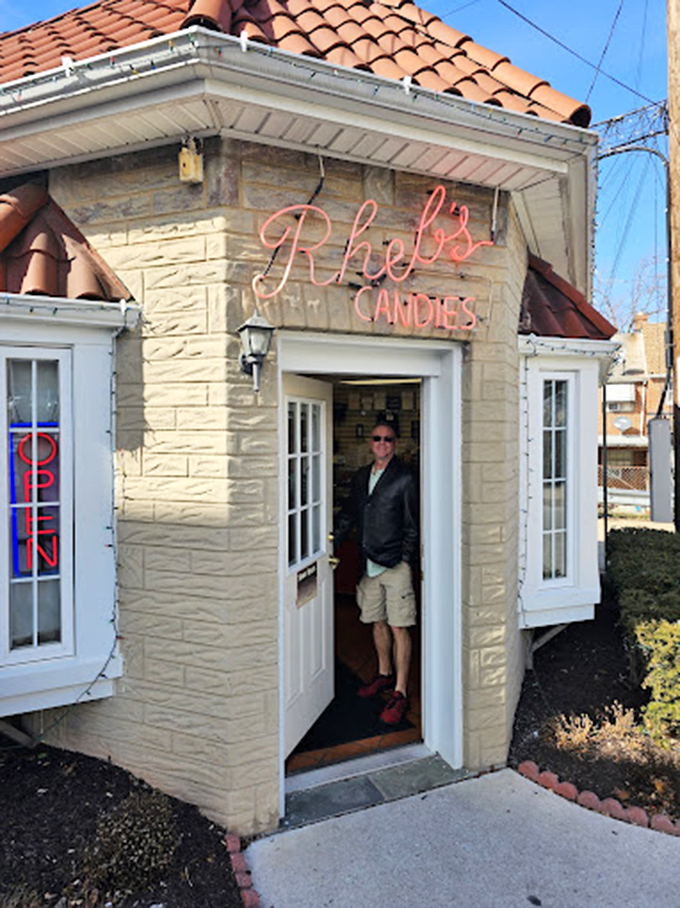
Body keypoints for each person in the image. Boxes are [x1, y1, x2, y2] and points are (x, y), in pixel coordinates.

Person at [333, 420, 418, 725]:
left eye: (389, 439)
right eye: (377, 438)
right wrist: (330, 542)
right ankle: (383, 674)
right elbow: (349, 515)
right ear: (370, 443)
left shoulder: (405, 478)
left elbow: (412, 524)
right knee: (377, 622)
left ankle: (400, 691)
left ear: (395, 444)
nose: (382, 443)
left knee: (399, 627)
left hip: (395, 565)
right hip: (367, 563)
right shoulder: (360, 477)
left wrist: (404, 559)